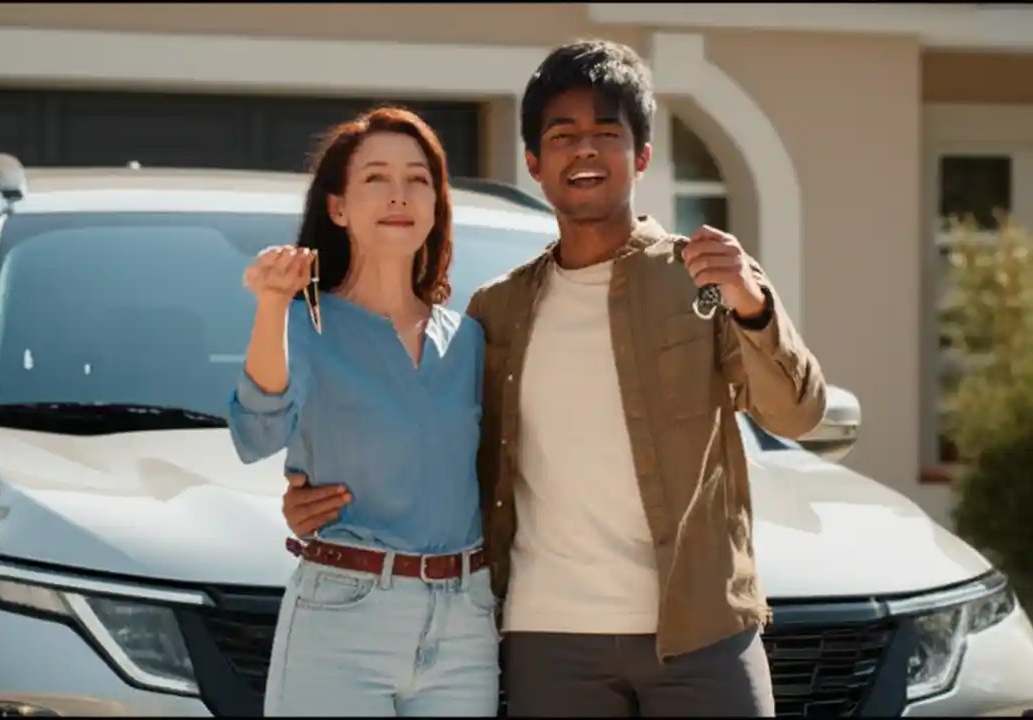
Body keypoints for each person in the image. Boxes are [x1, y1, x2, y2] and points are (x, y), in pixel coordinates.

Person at [280, 39, 828, 717]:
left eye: (607, 133)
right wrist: (326, 501)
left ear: (643, 156)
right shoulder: (496, 310)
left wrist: (754, 304)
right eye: (563, 135)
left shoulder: (706, 278)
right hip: (549, 643)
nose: (586, 150)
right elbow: (438, 449)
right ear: (535, 165)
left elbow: (800, 413)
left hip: (701, 637)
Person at [227, 106, 499, 717]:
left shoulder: (471, 341)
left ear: (435, 206)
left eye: (418, 179)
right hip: (343, 617)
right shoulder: (305, 322)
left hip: (465, 625)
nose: (399, 194)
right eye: (376, 177)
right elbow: (257, 432)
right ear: (339, 207)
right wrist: (272, 304)